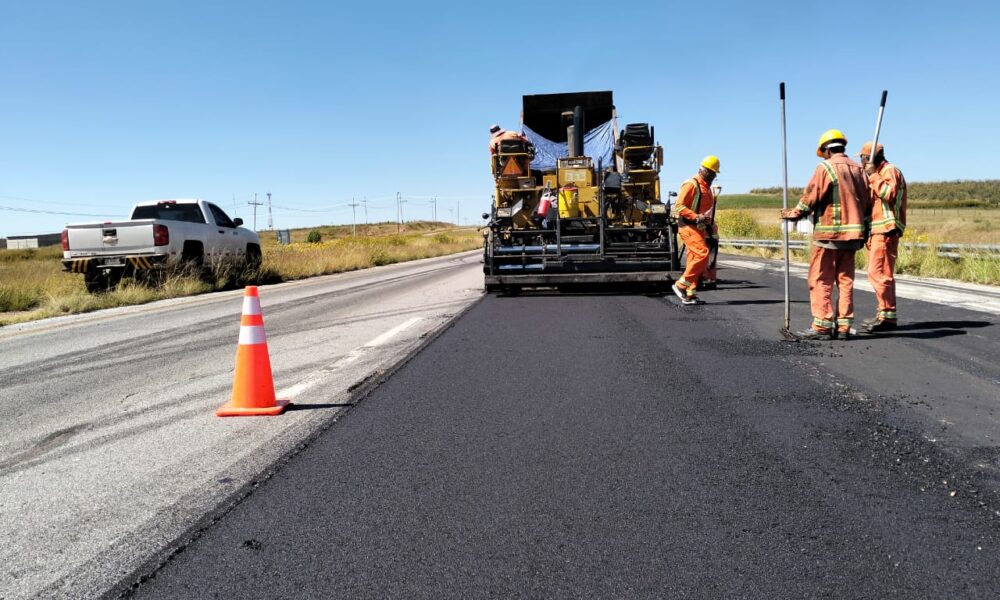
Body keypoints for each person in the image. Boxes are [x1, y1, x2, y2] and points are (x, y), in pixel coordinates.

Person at [780, 130, 870, 340]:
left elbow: (811, 196)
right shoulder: (860, 170)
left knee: (821, 279)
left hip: (829, 235)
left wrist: (793, 214)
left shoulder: (826, 168)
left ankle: (822, 326)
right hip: (853, 236)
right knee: (845, 280)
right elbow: (867, 202)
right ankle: (844, 327)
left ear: (827, 149)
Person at [858, 142, 907, 333]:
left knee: (878, 274)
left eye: (862, 157)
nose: (860, 161)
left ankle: (887, 316)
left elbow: (888, 193)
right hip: (877, 230)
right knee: (879, 274)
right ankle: (884, 314)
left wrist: (872, 175)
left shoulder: (889, 171)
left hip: (886, 229)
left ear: (870, 158)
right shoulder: (877, 174)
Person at [672, 155, 720, 304]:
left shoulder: (707, 187)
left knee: (694, 258)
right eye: (711, 172)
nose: (713, 176)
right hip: (688, 225)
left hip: (699, 227)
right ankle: (680, 285)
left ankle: (690, 293)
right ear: (702, 170)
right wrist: (695, 217)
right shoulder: (691, 184)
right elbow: (679, 206)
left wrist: (709, 225)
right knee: (702, 254)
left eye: (714, 173)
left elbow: (705, 210)